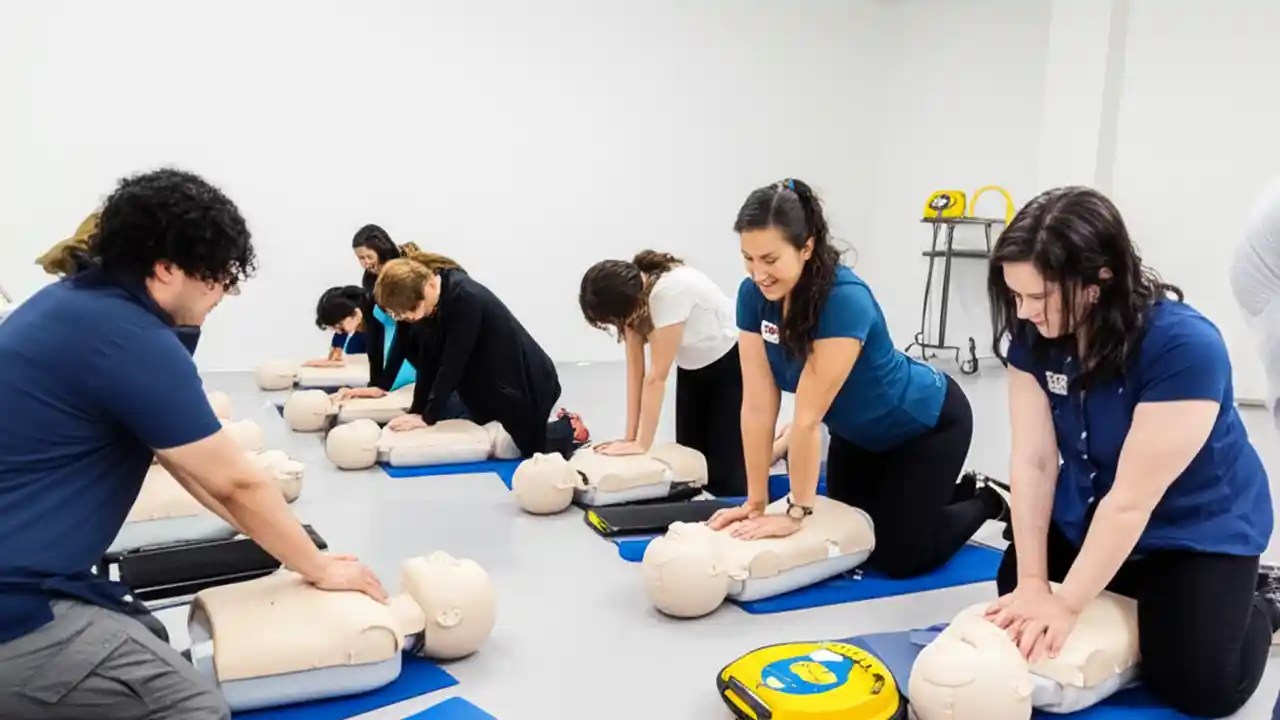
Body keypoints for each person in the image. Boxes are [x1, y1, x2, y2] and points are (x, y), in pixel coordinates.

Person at [0, 169, 388, 720]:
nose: (223, 293)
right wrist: (318, 567)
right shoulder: (126, 337)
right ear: (167, 269)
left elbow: (195, 467)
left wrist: (279, 543)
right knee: (193, 707)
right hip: (15, 608)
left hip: (28, 577)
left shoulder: (71, 306)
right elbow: (235, 481)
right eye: (218, 277)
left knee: (148, 634)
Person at [984, 186, 1279, 717]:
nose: (1024, 314)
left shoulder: (1184, 346)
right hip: (1094, 510)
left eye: (1039, 297)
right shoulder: (1033, 336)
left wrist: (1069, 603)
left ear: (1099, 281)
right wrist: (1034, 585)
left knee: (1202, 686)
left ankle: (1264, 600)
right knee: (1013, 591)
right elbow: (1034, 461)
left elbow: (1132, 501)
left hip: (1192, 530)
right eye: (1014, 297)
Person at [707, 178, 1007, 579]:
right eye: (748, 258)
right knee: (857, 531)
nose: (758, 273)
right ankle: (952, 492)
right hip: (856, 435)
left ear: (806, 247)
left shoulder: (843, 299)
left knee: (899, 554)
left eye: (770, 259)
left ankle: (988, 500)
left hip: (923, 425)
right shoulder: (753, 296)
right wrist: (755, 500)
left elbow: (808, 419)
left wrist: (796, 512)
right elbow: (759, 404)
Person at [373, 251, 588, 458]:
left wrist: (427, 418)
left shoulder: (465, 297)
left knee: (531, 447)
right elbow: (428, 361)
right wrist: (418, 411)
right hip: (485, 377)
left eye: (413, 309)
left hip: (523, 378)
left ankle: (568, 426)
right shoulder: (431, 304)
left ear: (429, 283)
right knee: (449, 412)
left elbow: (452, 363)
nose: (411, 317)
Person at [578, 251, 748, 495]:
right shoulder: (633, 295)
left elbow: (656, 378)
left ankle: (780, 445)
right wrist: (629, 438)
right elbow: (635, 369)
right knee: (694, 469)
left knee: (727, 483)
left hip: (731, 361)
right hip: (693, 366)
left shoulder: (668, 293)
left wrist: (642, 444)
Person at [304, 285, 369, 368]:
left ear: (354, 313)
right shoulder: (350, 326)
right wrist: (337, 345)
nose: (338, 331)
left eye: (339, 326)